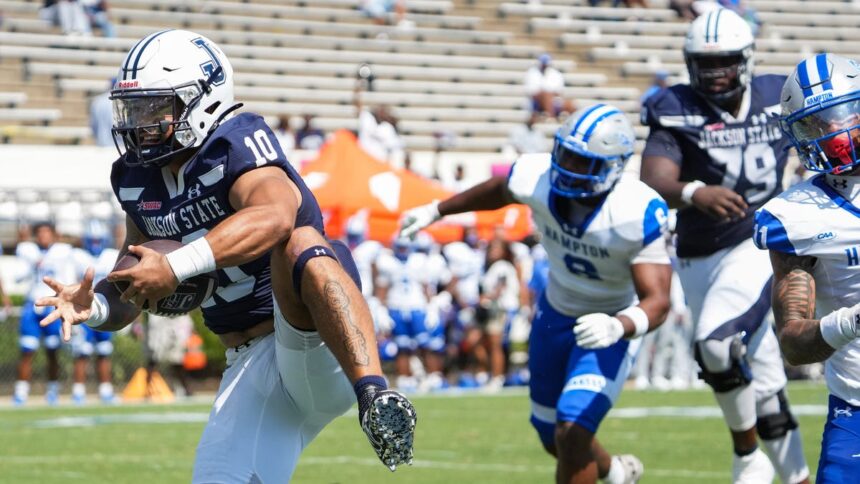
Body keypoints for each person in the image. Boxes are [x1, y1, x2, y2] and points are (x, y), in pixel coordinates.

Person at [35, 30, 415, 480]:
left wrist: (177, 266)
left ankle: (376, 397)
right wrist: (95, 305)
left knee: (301, 242)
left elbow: (276, 216)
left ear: (203, 100)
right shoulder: (135, 177)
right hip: (246, 364)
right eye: (133, 109)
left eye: (156, 107)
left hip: (312, 341)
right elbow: (138, 273)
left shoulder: (235, 143)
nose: (139, 123)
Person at [402, 103, 673, 483]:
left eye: (582, 162)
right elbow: (500, 188)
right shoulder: (537, 175)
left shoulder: (635, 211)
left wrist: (619, 326)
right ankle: (614, 471)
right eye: (564, 154)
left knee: (572, 431)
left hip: (608, 322)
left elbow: (659, 300)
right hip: (555, 314)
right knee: (553, 438)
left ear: (612, 166)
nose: (566, 167)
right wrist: (438, 209)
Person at [639, 9, 809, 483]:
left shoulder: (778, 96)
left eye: (726, 62)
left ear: (747, 59)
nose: (715, 74)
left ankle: (745, 452)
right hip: (698, 256)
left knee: (714, 344)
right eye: (705, 63)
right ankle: (796, 477)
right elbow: (654, 177)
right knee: (766, 390)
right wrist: (694, 191)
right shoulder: (676, 106)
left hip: (758, 241)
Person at [754, 53, 860, 484]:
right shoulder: (796, 216)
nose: (834, 133)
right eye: (816, 124)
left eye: (841, 115)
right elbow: (793, 344)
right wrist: (853, 321)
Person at [15, 222, 83, 405]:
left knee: (52, 350)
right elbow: (18, 276)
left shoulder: (62, 251)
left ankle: (52, 391)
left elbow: (71, 275)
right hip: (32, 305)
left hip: (53, 305)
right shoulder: (27, 250)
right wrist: (32, 265)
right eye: (40, 233)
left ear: (54, 235)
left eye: (47, 233)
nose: (43, 237)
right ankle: (21, 392)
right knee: (27, 350)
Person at [70, 219, 118, 404]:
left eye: (99, 241)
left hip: (105, 310)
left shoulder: (111, 255)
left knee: (104, 351)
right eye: (93, 240)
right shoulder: (77, 256)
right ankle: (78, 391)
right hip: (83, 312)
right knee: (81, 352)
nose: (96, 244)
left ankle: (106, 390)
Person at [524, 54, 573, 119]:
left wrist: (549, 93)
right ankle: (551, 117)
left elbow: (559, 91)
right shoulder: (532, 73)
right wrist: (546, 93)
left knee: (571, 104)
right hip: (536, 101)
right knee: (546, 95)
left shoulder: (555, 74)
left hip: (553, 99)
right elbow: (531, 91)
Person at [90, 77, 116, 147]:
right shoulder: (120, 101)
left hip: (101, 145)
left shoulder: (97, 100)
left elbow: (93, 126)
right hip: (119, 147)